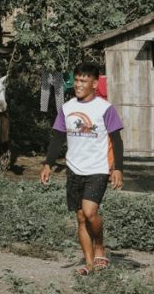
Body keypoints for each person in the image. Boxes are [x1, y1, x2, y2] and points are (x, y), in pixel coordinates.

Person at [40, 63, 124, 275]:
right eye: (76, 80)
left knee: (90, 212)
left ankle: (99, 246)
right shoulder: (66, 108)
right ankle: (88, 263)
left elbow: (117, 139)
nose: (78, 84)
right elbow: (58, 138)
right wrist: (48, 163)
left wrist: (118, 168)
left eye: (83, 81)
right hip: (74, 169)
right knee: (80, 217)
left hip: (98, 168)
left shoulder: (105, 109)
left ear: (95, 83)